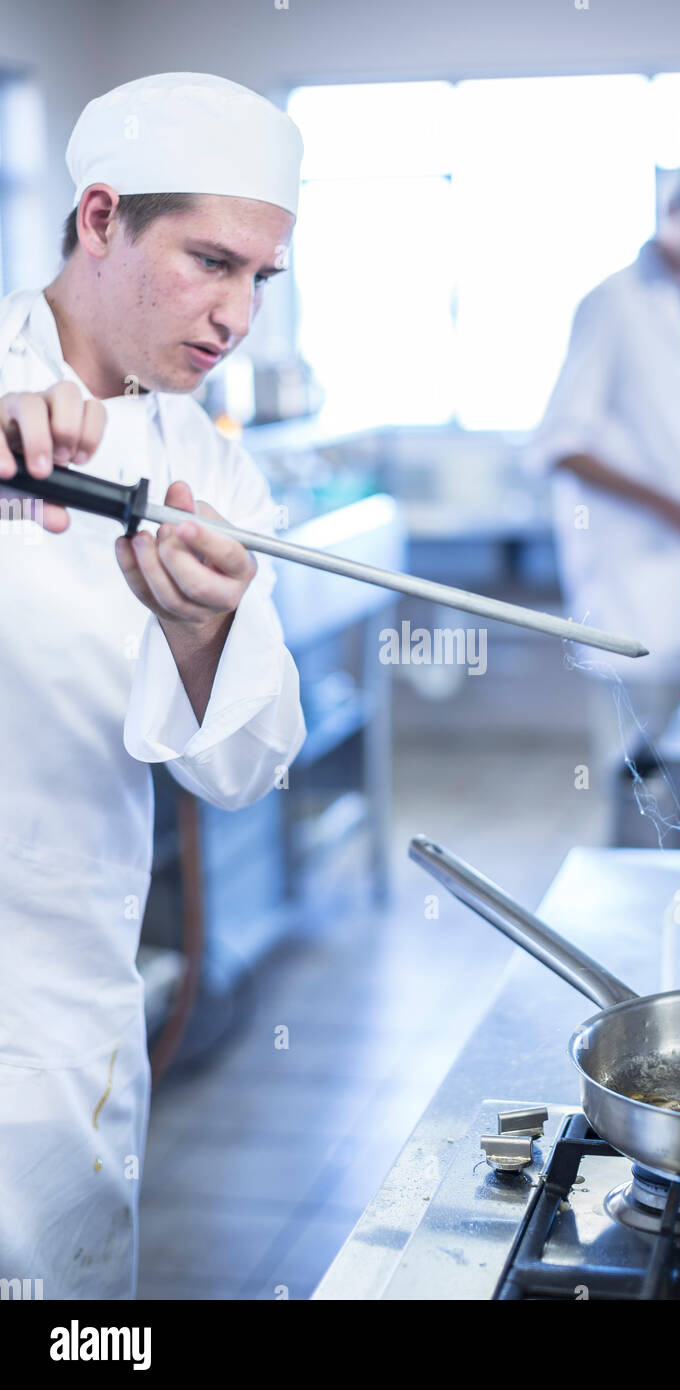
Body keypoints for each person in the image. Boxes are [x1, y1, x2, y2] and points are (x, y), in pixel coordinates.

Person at [0, 73, 307, 1298]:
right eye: (210, 262)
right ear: (98, 217)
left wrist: (202, 635)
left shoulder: (213, 480)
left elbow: (242, 768)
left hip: (53, 1012)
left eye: (260, 282)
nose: (236, 317)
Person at [528, 154, 680, 756]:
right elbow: (559, 446)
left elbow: (677, 416)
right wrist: (671, 509)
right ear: (667, 212)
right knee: (631, 768)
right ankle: (625, 851)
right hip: (626, 576)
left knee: (679, 758)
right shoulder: (612, 302)